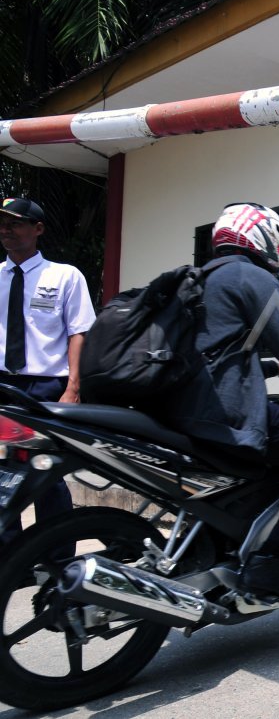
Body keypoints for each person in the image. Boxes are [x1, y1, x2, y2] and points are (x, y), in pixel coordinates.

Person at [156, 203, 279, 605]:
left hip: (176, 412)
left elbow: (206, 353)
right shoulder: (250, 276)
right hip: (225, 414)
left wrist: (263, 365)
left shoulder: (197, 278)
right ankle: (269, 560)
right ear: (264, 240)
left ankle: (229, 548)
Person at [0, 198, 94, 546]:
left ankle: (57, 555)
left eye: (16, 223)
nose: (7, 229)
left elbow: (78, 332)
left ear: (38, 229)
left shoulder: (64, 276)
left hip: (46, 388)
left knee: (47, 471)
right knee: (2, 473)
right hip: (3, 386)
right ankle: (11, 556)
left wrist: (72, 387)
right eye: (3, 223)